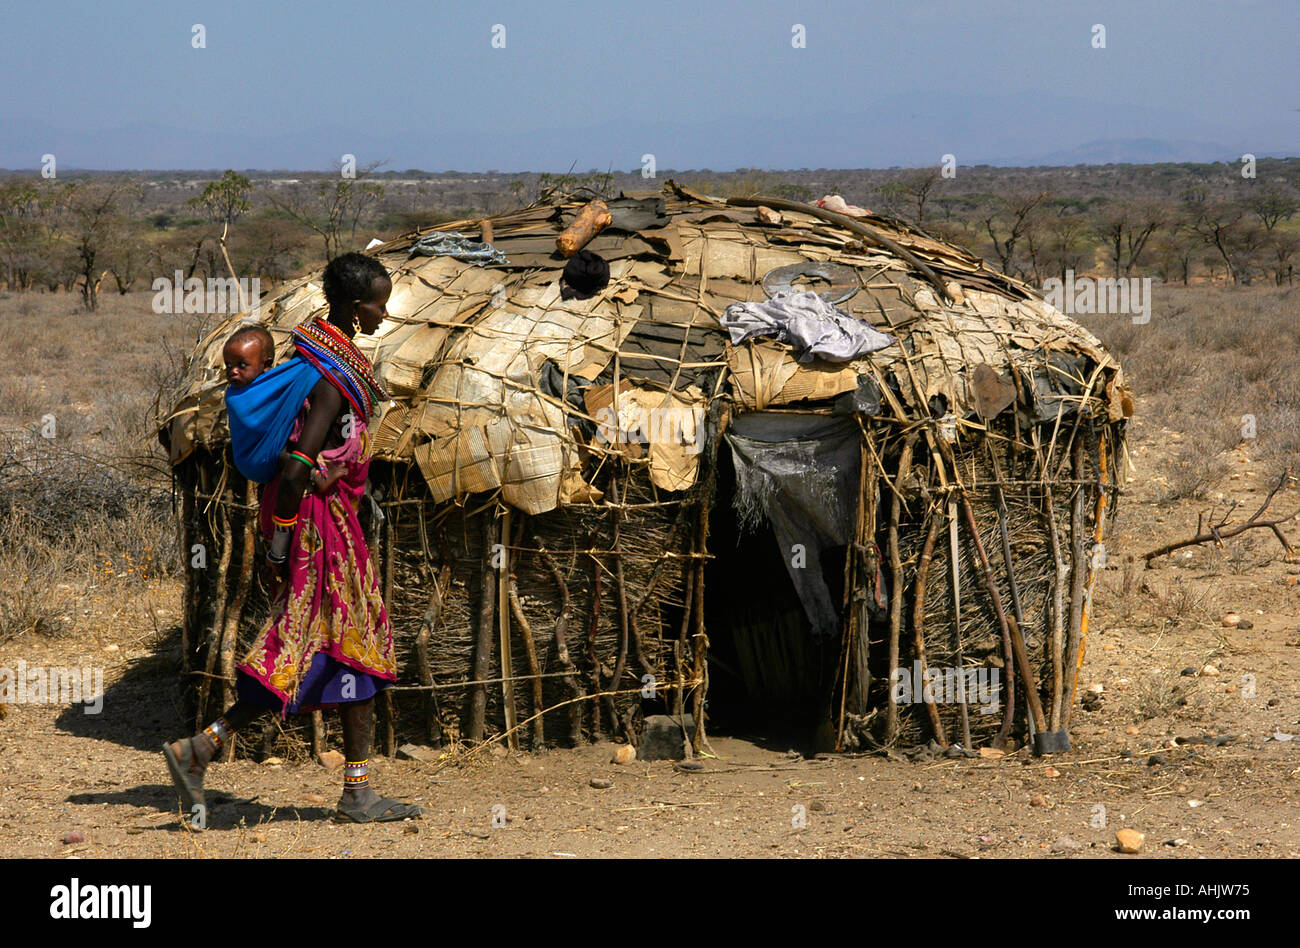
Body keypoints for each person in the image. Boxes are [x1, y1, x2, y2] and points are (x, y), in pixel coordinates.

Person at [164, 252, 421, 824]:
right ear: (357, 307)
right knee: (341, 643)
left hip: (326, 525)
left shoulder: (321, 356)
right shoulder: (331, 376)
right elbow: (300, 464)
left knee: (324, 645)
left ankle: (201, 748)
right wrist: (278, 549)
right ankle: (354, 794)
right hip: (317, 530)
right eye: (379, 303)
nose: (384, 312)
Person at [222, 324, 345, 494]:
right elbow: (253, 422)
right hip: (255, 458)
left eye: (242, 365)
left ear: (266, 363)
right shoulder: (234, 396)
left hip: (268, 453)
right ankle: (317, 476)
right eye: (228, 365)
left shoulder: (277, 382)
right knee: (284, 456)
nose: (233, 371)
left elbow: (299, 377)